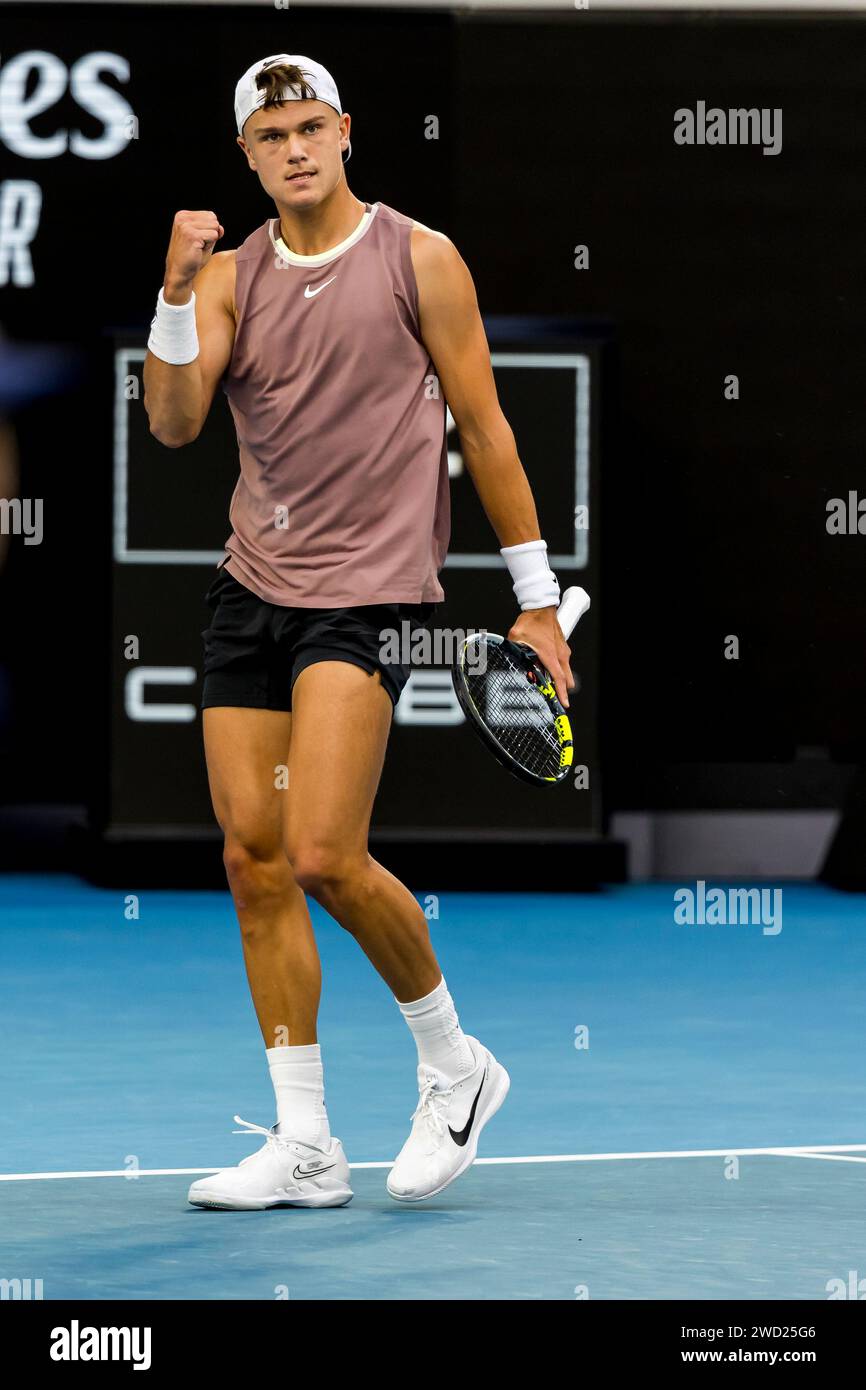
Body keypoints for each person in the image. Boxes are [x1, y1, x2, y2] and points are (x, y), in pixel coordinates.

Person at [143, 53, 573, 1209]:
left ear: (344, 131)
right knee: (252, 860)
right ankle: (306, 1144)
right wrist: (175, 292)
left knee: (326, 852)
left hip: (368, 594)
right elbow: (176, 425)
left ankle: (454, 1064)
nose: (292, 147)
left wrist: (535, 597)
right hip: (250, 590)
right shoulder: (228, 276)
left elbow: (484, 430)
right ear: (246, 154)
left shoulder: (418, 257)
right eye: (269, 133)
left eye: (308, 125)